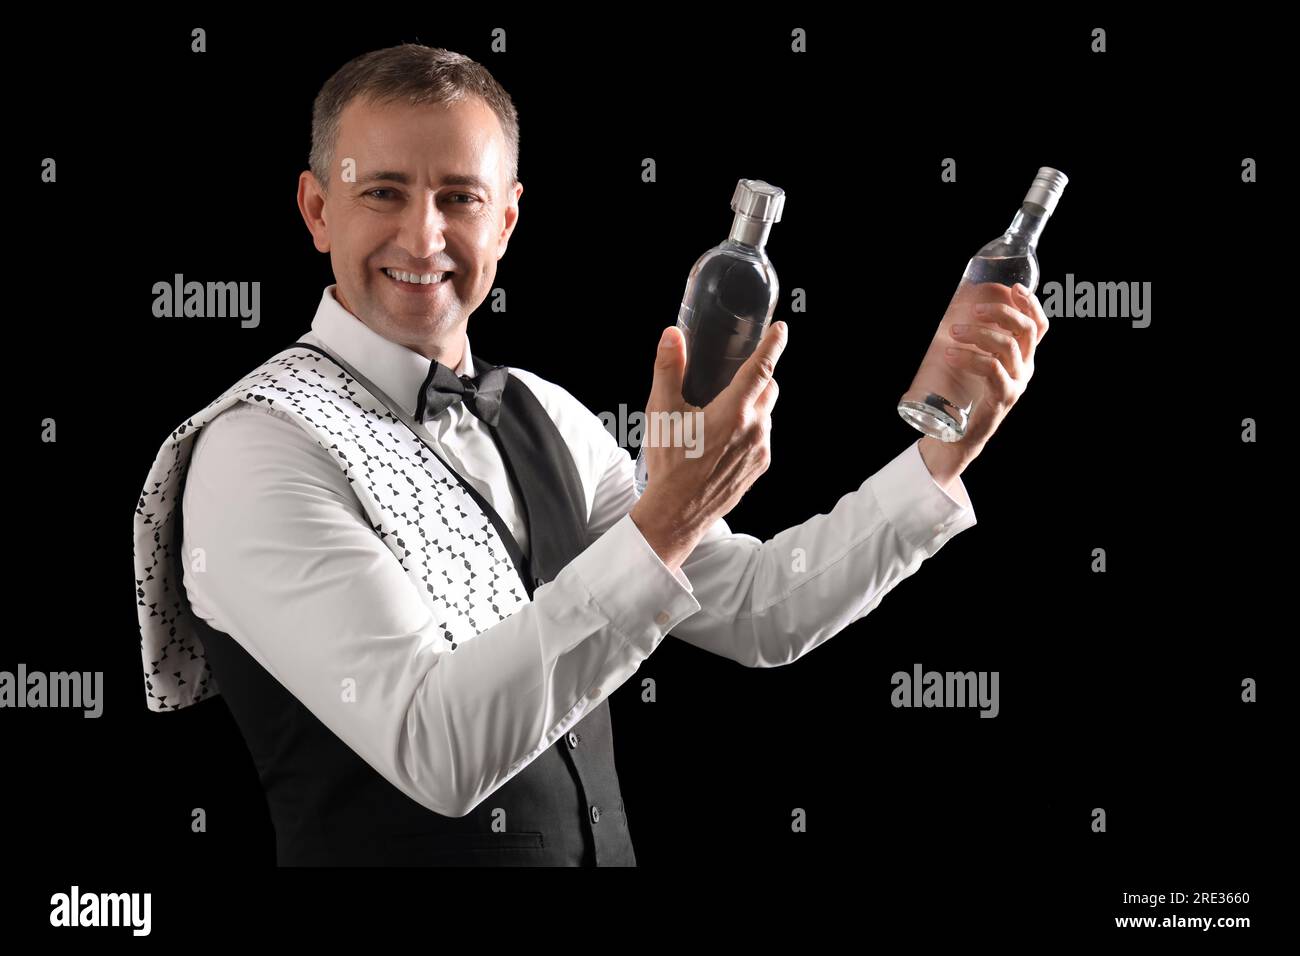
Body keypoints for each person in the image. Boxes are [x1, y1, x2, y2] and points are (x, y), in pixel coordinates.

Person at [131, 43, 1048, 866]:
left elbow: (764, 608)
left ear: (508, 222)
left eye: (460, 197)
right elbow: (434, 750)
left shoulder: (547, 413)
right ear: (317, 208)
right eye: (382, 193)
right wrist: (668, 516)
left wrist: (943, 452)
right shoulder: (256, 450)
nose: (424, 237)